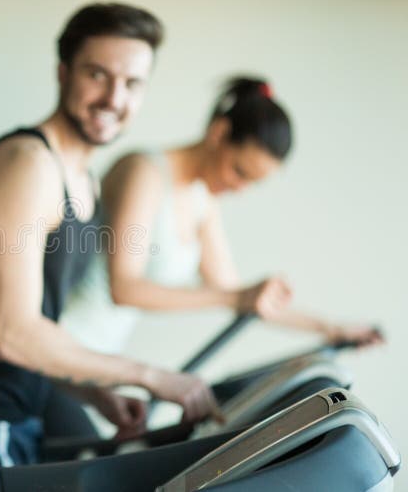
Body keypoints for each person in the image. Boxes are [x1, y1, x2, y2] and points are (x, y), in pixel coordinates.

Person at [0, 2, 223, 468]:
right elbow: (12, 335)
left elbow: (41, 326)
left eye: (132, 83)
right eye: (98, 74)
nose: (115, 98)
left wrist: (93, 393)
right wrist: (151, 376)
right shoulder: (27, 166)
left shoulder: (84, 182)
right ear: (63, 72)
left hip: (18, 420)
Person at [48, 76, 383, 436]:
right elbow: (125, 288)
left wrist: (331, 329)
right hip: (53, 352)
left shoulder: (202, 202)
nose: (240, 189)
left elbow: (240, 297)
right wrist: (237, 296)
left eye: (252, 182)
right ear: (219, 133)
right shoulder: (144, 172)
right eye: (239, 170)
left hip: (95, 370)